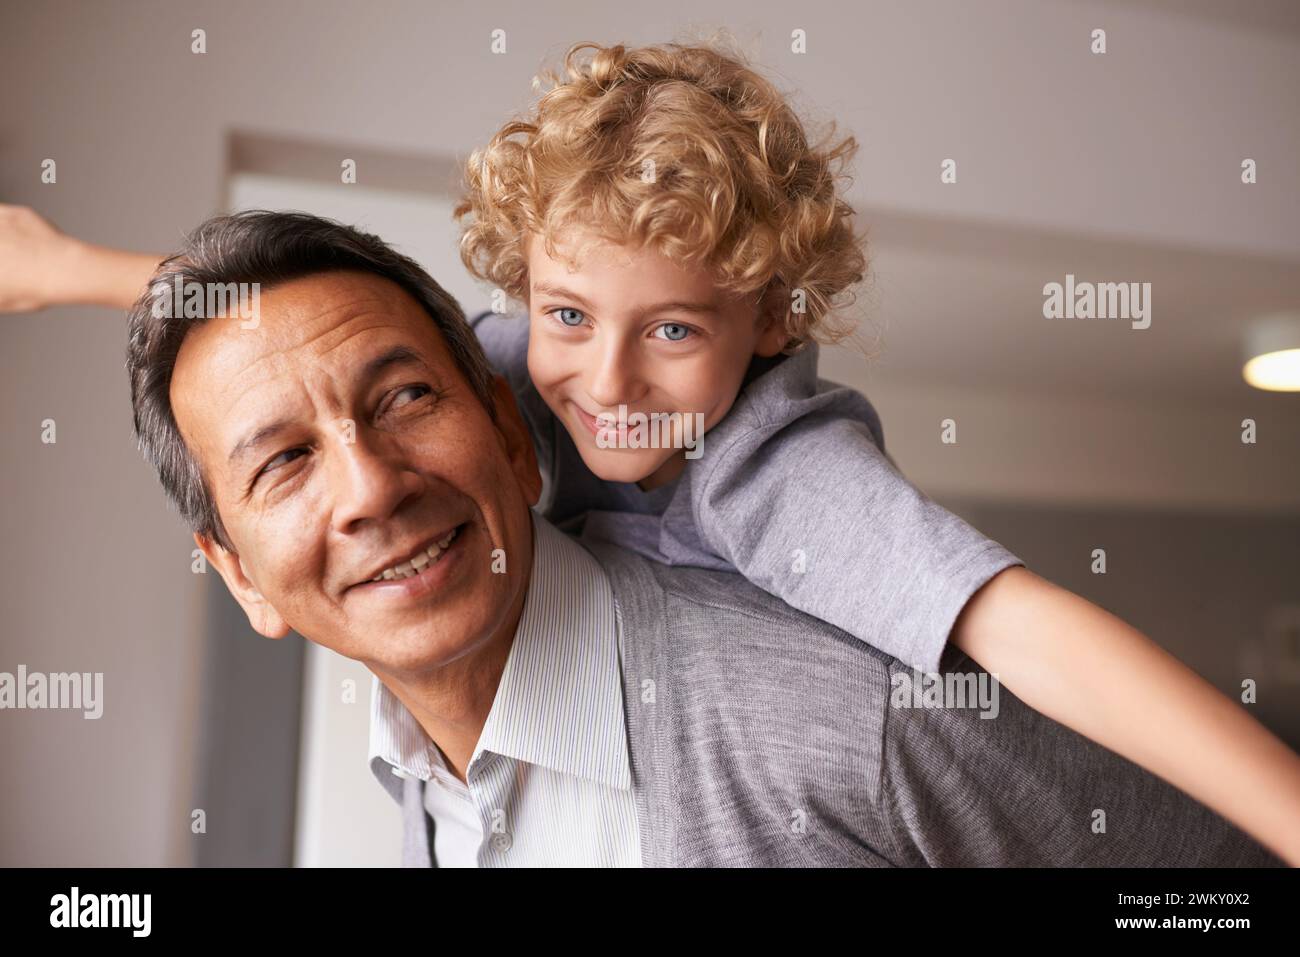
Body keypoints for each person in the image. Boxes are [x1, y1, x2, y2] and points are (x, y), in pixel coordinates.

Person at [3, 38, 1299, 864]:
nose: (610, 381)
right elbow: (300, 326)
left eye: (676, 327)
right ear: (232, 571)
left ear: (772, 319)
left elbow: (1021, 627)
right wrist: (64, 269)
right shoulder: (517, 364)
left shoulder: (785, 483)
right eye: (569, 314)